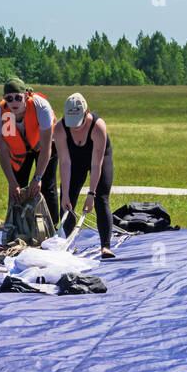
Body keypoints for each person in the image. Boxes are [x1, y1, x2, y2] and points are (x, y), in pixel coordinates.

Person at [57, 92, 117, 260]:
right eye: (71, 122)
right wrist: (66, 194)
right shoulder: (61, 128)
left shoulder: (98, 126)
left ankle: (105, 246)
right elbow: (64, 163)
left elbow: (96, 163)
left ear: (86, 112)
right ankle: (68, 244)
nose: (74, 127)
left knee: (100, 198)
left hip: (99, 158)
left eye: (78, 122)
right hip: (74, 161)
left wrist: (91, 193)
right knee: (67, 201)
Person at [0, 77, 59, 226]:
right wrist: (11, 182)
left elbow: (47, 147)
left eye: (18, 97)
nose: (14, 102)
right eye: (9, 98)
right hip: (19, 151)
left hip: (43, 146)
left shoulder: (41, 107)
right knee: (17, 190)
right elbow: (2, 151)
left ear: (26, 95)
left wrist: (37, 177)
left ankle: (53, 228)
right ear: (4, 99)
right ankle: (18, 228)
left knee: (47, 186)